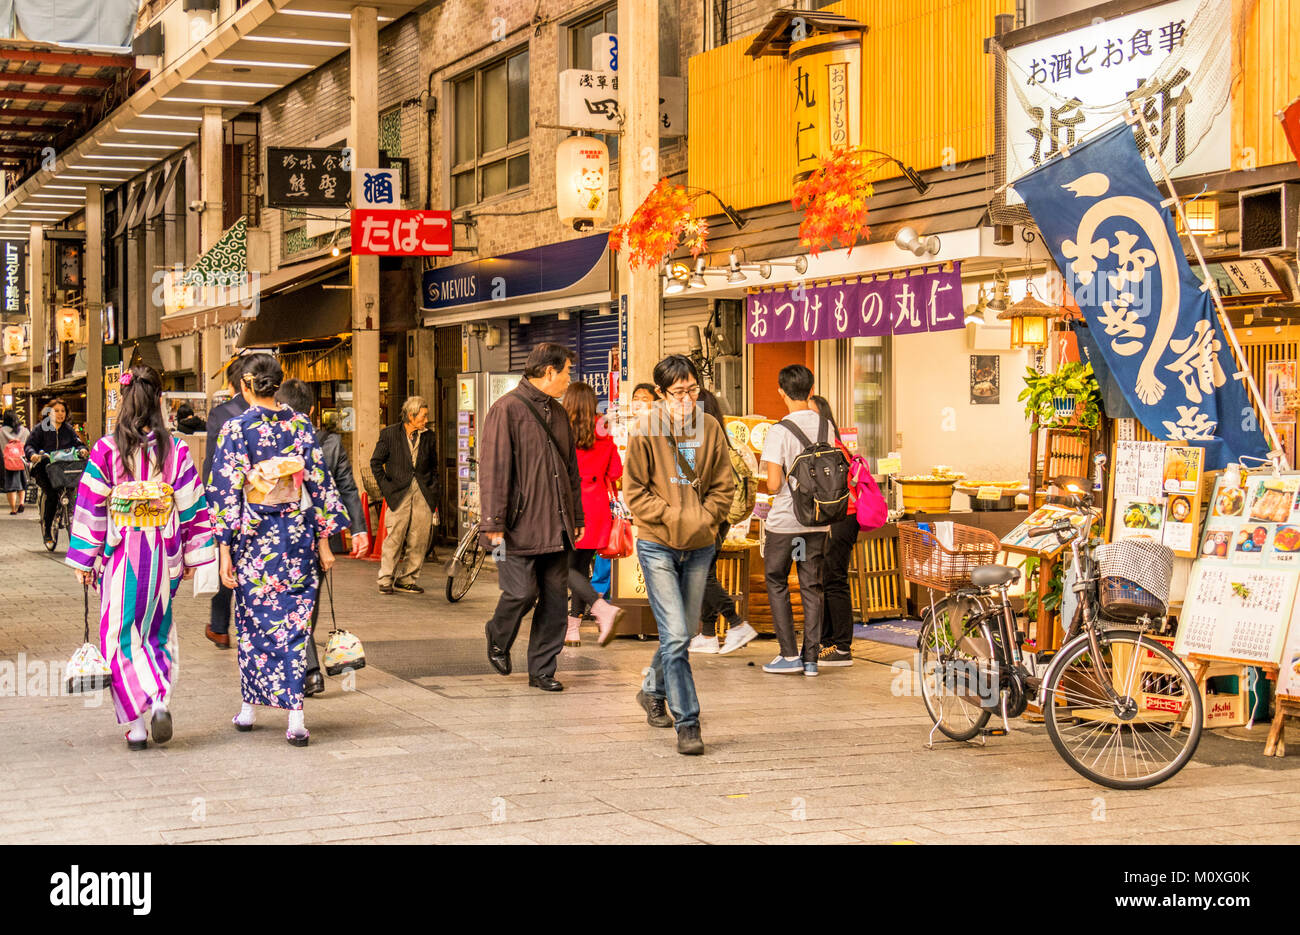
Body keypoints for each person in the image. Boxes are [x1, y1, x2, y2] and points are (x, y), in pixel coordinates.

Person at [65, 366, 215, 751]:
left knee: (119, 637)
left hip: (122, 556)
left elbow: (92, 506)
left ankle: (135, 726)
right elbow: (193, 505)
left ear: (125, 401)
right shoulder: (176, 450)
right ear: (159, 402)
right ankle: (159, 697)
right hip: (164, 556)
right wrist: (199, 553)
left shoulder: (107, 449)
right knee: (157, 632)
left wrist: (85, 558)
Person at [208, 354, 348, 747]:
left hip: (255, 540)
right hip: (296, 538)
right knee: (294, 625)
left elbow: (225, 492)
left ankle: (250, 707)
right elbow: (319, 486)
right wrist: (323, 541)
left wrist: (224, 551)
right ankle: (296, 717)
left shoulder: (236, 429)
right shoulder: (300, 424)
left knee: (254, 626)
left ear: (248, 385)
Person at [624, 355, 733, 755]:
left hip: (700, 544)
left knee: (682, 635)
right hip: (657, 544)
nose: (686, 398)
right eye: (678, 392)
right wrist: (674, 517)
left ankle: (651, 688)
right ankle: (688, 723)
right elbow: (634, 492)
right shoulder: (645, 431)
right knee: (674, 634)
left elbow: (725, 485)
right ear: (661, 394)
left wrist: (704, 519)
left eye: (692, 390)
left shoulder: (710, 427)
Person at [479, 343, 583, 692]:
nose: (570, 379)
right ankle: (498, 633)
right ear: (550, 371)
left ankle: (542, 670)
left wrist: (576, 516)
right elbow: (493, 470)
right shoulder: (505, 409)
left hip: (556, 525)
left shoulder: (558, 412)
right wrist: (492, 523)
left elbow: (570, 470)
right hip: (514, 528)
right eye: (567, 371)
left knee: (555, 601)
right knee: (521, 592)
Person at [276, 378, 369, 697]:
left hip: (282, 537)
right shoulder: (329, 443)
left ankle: (310, 670)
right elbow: (347, 486)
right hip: (319, 538)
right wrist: (358, 528)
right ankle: (308, 669)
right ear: (313, 409)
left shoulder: (271, 440)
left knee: (290, 606)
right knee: (307, 603)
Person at [759, 364, 829, 677]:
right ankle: (811, 659)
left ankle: (789, 655)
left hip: (786, 522)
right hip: (819, 521)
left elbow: (773, 484)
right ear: (810, 390)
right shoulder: (825, 425)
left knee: (776, 581)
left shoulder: (779, 431)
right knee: (812, 585)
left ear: (782, 392)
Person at [688, 388, 758, 655]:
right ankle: (707, 634)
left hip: (708, 516)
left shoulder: (703, 441)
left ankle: (736, 623)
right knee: (706, 572)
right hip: (721, 516)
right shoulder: (720, 438)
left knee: (701, 573)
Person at [561, 380, 625, 646]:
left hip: (570, 506)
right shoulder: (604, 432)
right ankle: (572, 630)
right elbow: (615, 472)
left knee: (562, 567)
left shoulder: (560, 431)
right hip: (597, 507)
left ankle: (602, 609)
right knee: (579, 569)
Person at [203, 356, 251, 649]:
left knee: (227, 560)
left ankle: (220, 628)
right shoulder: (278, 413)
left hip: (232, 501)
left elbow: (212, 464)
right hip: (269, 507)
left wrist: (210, 505)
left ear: (233, 382)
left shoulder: (221, 415)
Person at [369, 396, 439, 595]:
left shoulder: (429, 436)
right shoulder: (390, 434)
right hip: (397, 493)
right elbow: (375, 462)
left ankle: (407, 578)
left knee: (420, 538)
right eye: (423, 416)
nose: (426, 420)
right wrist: (386, 488)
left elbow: (434, 467)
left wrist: (434, 492)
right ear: (411, 415)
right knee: (394, 536)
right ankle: (385, 578)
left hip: (423, 493)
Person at [812, 395, 859, 667]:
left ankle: (841, 646)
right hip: (837, 519)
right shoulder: (831, 446)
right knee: (825, 578)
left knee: (834, 579)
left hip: (842, 519)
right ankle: (828, 642)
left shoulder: (833, 448)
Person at [26, 397, 85, 545]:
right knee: (52, 495)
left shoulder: (68, 430)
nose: (60, 414)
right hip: (44, 470)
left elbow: (78, 444)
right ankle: (47, 532)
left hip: (64, 470)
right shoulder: (41, 428)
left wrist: (82, 450)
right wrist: (33, 455)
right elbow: (29, 445)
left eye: (63, 411)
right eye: (56, 411)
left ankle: (76, 534)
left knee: (72, 495)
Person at [2, 410, 30, 515]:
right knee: (22, 483)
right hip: (21, 460)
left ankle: (13, 509)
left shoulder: (1, 431)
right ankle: (21, 503)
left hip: (8, 462)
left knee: (11, 486)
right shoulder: (24, 430)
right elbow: (29, 444)